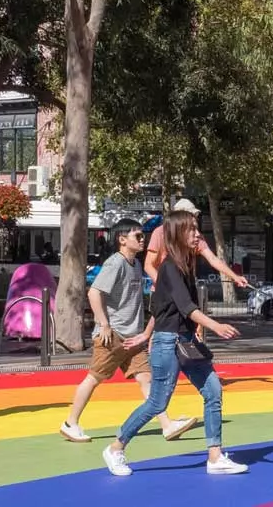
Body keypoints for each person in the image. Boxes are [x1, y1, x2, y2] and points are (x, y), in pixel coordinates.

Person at [103, 210, 248, 477]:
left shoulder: (186, 266)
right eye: (191, 229)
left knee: (213, 391)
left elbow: (161, 309)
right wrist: (215, 326)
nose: (197, 234)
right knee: (158, 402)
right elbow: (185, 307)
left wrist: (147, 333)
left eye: (197, 228)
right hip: (168, 344)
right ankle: (115, 448)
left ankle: (215, 457)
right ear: (176, 235)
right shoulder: (169, 268)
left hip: (185, 341)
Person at [60, 219, 196, 444]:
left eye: (143, 236)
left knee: (147, 379)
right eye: (138, 236)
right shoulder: (116, 263)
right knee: (95, 377)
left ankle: (167, 425)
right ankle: (70, 423)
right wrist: (104, 324)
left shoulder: (134, 265)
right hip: (113, 334)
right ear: (122, 240)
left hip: (133, 337)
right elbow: (94, 293)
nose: (143, 240)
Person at [144, 198, 248, 290]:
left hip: (185, 288)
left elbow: (213, 259)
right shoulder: (160, 233)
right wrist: (164, 285)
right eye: (192, 215)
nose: (195, 218)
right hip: (164, 292)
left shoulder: (196, 236)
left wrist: (235, 277)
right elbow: (148, 265)